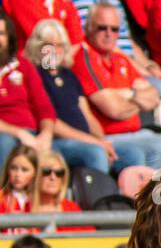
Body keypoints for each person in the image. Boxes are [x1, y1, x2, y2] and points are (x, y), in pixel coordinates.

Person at [73, 1, 161, 167]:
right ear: (89, 28)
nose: (109, 34)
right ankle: (151, 193)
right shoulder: (84, 57)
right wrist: (134, 94)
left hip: (138, 133)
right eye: (102, 28)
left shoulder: (119, 57)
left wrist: (124, 95)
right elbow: (113, 109)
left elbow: (153, 97)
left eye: (114, 29)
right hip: (111, 137)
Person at [25, 17, 116, 174]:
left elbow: (88, 116)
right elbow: (53, 124)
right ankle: (101, 198)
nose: (54, 50)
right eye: (49, 45)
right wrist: (95, 142)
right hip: (57, 141)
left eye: (59, 45)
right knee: (95, 152)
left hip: (85, 140)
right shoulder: (35, 75)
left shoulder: (69, 75)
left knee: (133, 152)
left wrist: (103, 141)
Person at [0, 10, 59, 166]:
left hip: (34, 136)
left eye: (1, 34)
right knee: (5, 143)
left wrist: (46, 134)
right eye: (47, 45)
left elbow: (44, 108)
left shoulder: (24, 65)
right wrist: (19, 133)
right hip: (7, 137)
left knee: (92, 152)